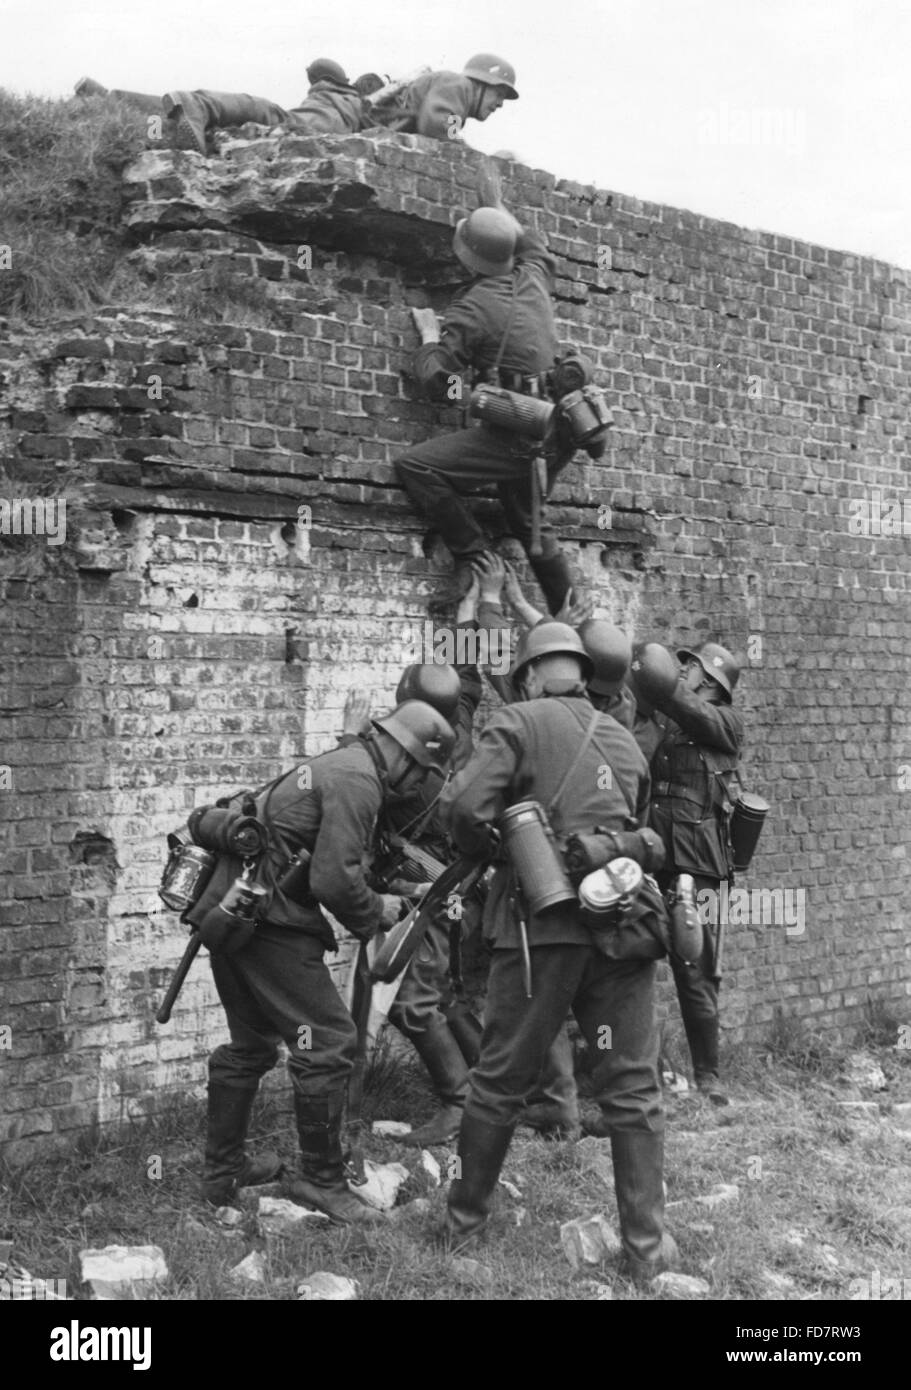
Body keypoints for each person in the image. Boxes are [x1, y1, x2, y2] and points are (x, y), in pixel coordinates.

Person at [436, 621, 677, 1281]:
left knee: (499, 1078)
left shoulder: (516, 721)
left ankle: (464, 1229)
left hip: (540, 928)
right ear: (581, 672)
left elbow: (461, 808)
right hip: (624, 924)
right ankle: (647, 1253)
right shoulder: (625, 740)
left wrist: (502, 852)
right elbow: (634, 823)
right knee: (631, 1087)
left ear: (532, 674)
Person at [187, 699, 455, 1223]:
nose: (417, 785)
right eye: (420, 772)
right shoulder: (359, 781)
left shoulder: (342, 765)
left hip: (232, 915)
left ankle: (224, 1172)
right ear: (401, 754)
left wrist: (396, 886)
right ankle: (321, 1181)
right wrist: (380, 910)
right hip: (271, 927)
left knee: (251, 1046)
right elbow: (332, 880)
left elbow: (330, 858)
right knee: (329, 1042)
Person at [395, 162, 605, 617]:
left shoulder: (470, 310)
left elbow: (440, 383)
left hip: (517, 434)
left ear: (466, 257)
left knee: (416, 466)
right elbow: (534, 244)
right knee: (529, 521)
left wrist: (430, 340)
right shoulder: (534, 278)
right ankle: (576, 621)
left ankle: (473, 555)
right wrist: (495, 203)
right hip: (562, 427)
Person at [644, 642, 745, 1104]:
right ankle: (643, 1067)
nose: (682, 670)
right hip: (653, 853)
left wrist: (662, 681)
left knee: (695, 968)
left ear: (707, 680)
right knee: (631, 957)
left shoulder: (725, 722)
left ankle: (709, 1076)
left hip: (698, 861)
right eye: (680, 666)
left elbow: (692, 712)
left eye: (689, 666)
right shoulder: (663, 718)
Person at [366, 53, 518, 141]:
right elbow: (437, 124)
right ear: (480, 84)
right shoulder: (459, 84)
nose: (500, 104)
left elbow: (447, 131)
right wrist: (466, 151)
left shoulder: (459, 108)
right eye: (498, 95)